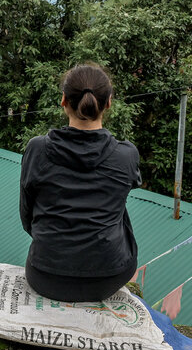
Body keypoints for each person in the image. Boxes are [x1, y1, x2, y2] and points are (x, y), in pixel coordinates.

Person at [19, 63, 142, 302]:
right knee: (115, 204)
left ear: (63, 100)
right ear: (108, 103)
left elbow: (27, 215)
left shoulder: (37, 149)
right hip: (108, 279)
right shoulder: (126, 155)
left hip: (45, 276)